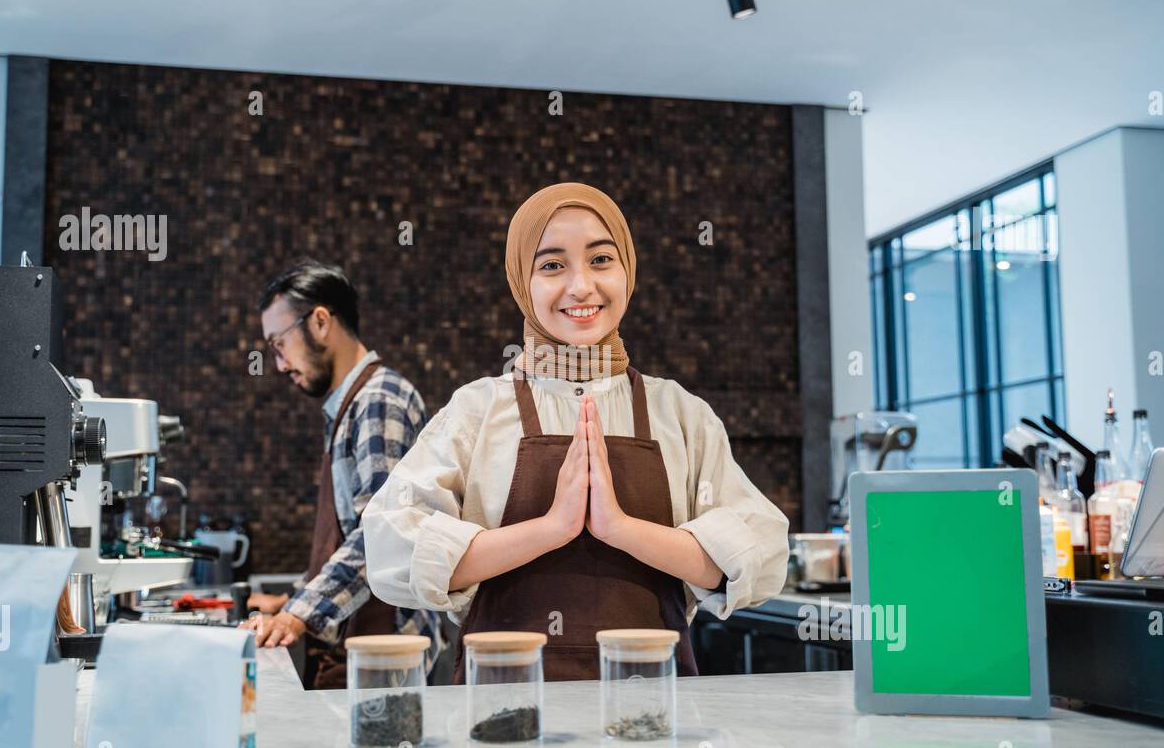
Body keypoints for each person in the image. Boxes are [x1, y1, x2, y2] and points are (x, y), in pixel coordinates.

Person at [362, 183, 788, 682]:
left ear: (628, 270)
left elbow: (758, 557)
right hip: (504, 709)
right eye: (552, 265)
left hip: (651, 711)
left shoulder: (680, 412)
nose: (581, 286)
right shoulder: (477, 410)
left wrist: (622, 529)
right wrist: (550, 529)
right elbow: (390, 546)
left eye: (601, 259)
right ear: (522, 282)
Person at [245, 261, 443, 688]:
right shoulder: (350, 406)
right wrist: (295, 596)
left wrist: (299, 614)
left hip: (387, 650)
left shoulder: (379, 400)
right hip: (361, 642)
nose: (279, 364)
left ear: (319, 322)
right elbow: (350, 528)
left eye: (279, 344)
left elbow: (383, 532)